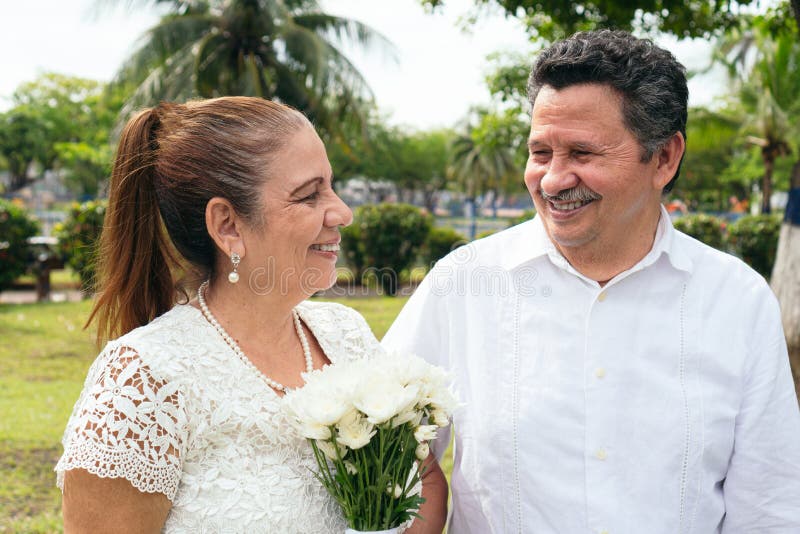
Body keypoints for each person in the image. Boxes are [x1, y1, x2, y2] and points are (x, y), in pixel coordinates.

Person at [383, 30, 800, 533]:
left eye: (582, 153)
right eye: (540, 153)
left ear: (665, 158)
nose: (554, 179)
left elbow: (770, 508)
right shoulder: (463, 286)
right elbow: (384, 457)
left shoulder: (738, 301)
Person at [55, 96, 447, 533]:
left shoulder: (346, 335)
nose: (342, 212)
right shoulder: (144, 379)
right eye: (308, 195)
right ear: (227, 225)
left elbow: (421, 482)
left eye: (332, 186)